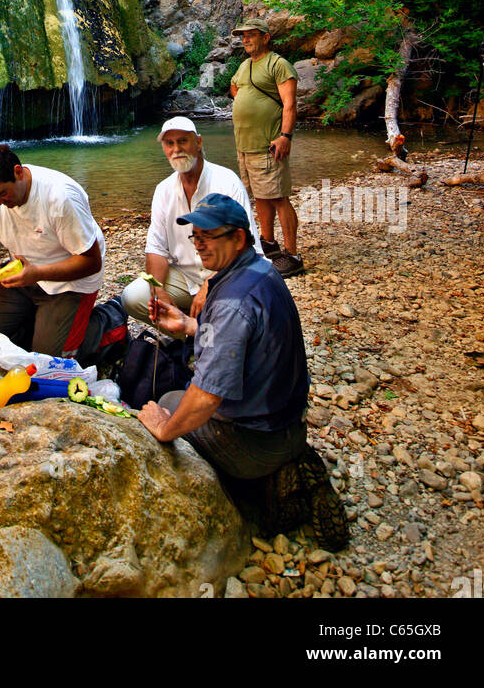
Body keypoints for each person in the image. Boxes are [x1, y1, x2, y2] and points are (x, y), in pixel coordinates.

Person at [137, 194, 347, 547]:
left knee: (170, 404)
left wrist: (163, 429)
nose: (199, 245)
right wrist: (190, 324)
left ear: (238, 238)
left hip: (254, 440)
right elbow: (244, 339)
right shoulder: (260, 270)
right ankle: (288, 465)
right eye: (196, 236)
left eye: (209, 236)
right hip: (289, 423)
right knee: (176, 400)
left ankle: (257, 492)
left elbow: (206, 396)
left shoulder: (233, 301)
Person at [0, 144, 125, 364]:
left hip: (70, 283)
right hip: (25, 277)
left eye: (3, 194)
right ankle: (44, 323)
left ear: (18, 172)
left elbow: (91, 262)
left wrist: (38, 273)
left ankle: (110, 319)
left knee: (49, 362)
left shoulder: (60, 197)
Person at [121, 116, 262, 328]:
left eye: (183, 141)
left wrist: (211, 284)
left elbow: (247, 246)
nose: (176, 149)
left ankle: (213, 338)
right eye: (170, 143)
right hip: (186, 277)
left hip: (229, 273)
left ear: (198, 143)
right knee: (134, 296)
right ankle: (188, 338)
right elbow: (156, 249)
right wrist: (158, 290)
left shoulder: (227, 181)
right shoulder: (163, 190)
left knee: (235, 304)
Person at [229, 18, 304, 278]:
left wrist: (285, 136)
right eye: (243, 36)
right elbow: (234, 86)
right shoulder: (245, 66)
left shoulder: (279, 64)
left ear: (265, 37)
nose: (246, 40)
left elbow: (290, 104)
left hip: (269, 144)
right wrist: (246, 103)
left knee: (278, 197)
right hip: (246, 145)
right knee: (261, 195)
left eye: (251, 35)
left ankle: (292, 255)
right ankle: (269, 242)